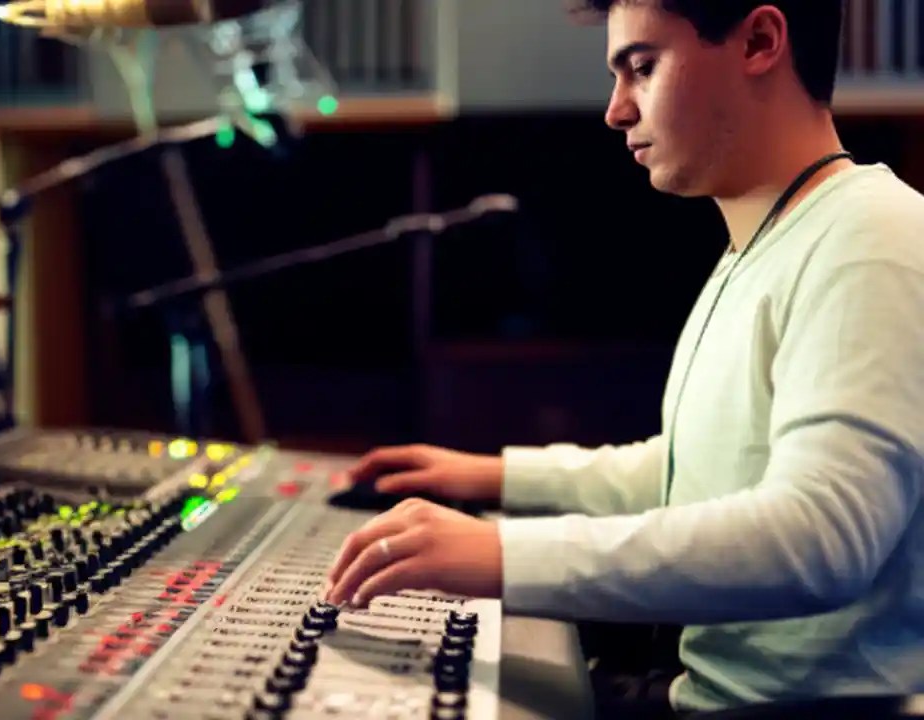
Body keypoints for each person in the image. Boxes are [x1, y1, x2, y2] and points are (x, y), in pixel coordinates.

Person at [322, 1, 924, 717]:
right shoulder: (765, 244)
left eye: (642, 67)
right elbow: (697, 468)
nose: (615, 110)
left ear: (760, 40)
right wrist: (495, 476)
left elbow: (821, 537)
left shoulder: (872, 237)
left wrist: (505, 557)